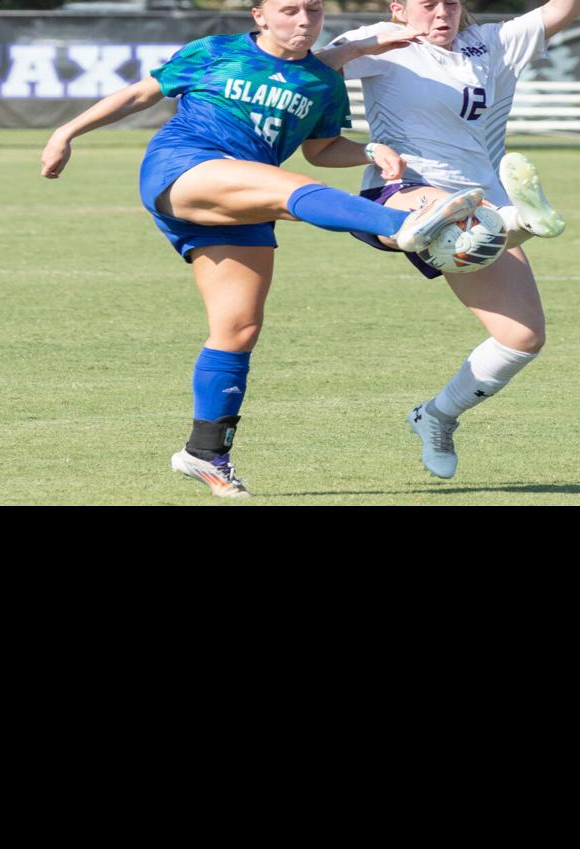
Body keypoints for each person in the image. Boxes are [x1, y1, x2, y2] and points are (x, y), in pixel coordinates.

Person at [39, 0, 484, 499]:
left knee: (238, 327)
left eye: (312, 10)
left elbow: (321, 148)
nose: (302, 21)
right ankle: (404, 224)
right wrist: (66, 131)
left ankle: (205, 452)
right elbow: (142, 93)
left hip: (244, 200)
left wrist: (366, 149)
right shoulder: (217, 51)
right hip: (186, 166)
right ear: (259, 16)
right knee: (285, 189)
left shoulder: (321, 81)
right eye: (288, 10)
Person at [320, 0, 580, 480]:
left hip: (477, 197)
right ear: (398, 8)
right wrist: (362, 46)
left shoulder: (493, 42)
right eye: (427, 4)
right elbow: (308, 65)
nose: (442, 12)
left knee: (522, 337)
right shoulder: (382, 39)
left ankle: (436, 416)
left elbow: (564, 10)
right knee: (447, 215)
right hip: (403, 186)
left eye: (450, 2)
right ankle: (506, 221)